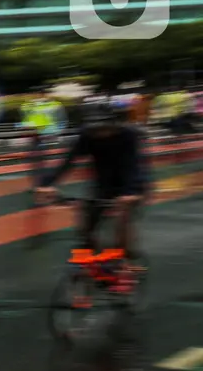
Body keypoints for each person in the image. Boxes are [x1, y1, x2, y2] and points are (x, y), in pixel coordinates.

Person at [35, 100, 149, 263]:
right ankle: (92, 264)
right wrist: (46, 184)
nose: (99, 134)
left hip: (132, 183)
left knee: (122, 220)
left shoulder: (128, 136)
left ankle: (125, 260)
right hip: (103, 183)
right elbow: (68, 162)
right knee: (86, 225)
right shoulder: (87, 136)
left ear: (114, 125)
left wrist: (130, 193)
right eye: (95, 130)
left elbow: (134, 166)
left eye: (103, 129)